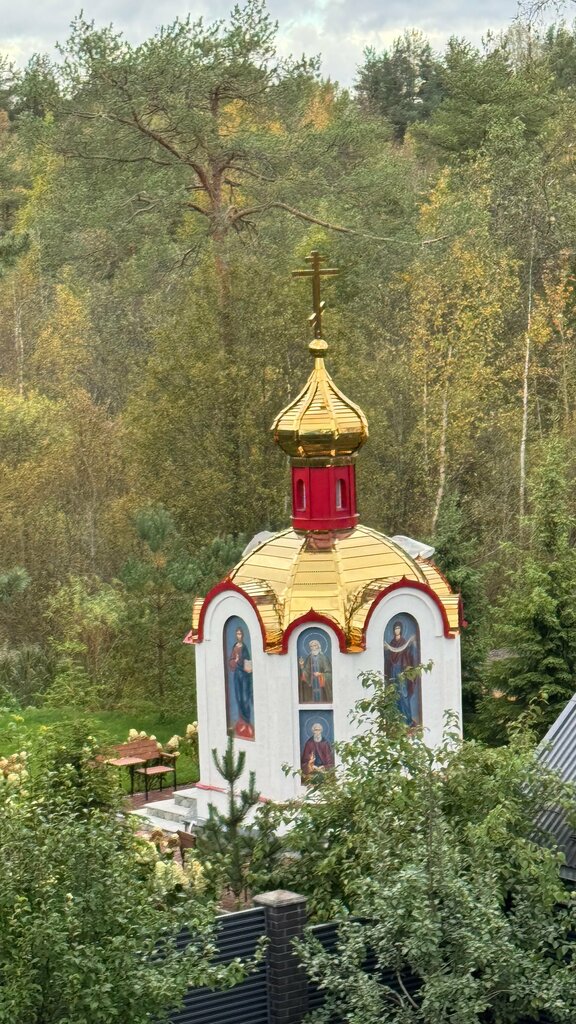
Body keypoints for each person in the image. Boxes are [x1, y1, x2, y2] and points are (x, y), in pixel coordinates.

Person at [384, 620, 419, 727]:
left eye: (398, 628)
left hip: (402, 674)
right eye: (395, 628)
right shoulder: (391, 644)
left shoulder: (404, 643)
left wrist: (412, 644)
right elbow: (388, 660)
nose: (397, 630)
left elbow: (410, 657)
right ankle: (396, 721)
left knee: (404, 695)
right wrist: (386, 651)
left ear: (401, 630)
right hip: (393, 673)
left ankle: (408, 720)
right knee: (395, 695)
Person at [228, 626, 254, 739]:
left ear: (242, 635)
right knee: (238, 698)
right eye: (237, 634)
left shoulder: (244, 648)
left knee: (245, 698)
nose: (239, 636)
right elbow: (231, 661)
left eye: (240, 634)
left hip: (245, 676)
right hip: (236, 675)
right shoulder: (234, 647)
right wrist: (235, 661)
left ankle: (247, 722)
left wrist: (244, 665)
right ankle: (241, 722)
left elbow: (248, 662)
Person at [298, 638, 333, 702]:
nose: (313, 648)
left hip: (321, 683)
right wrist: (302, 665)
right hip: (312, 683)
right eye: (311, 646)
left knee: (322, 698)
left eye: (315, 645)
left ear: (318, 646)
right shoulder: (309, 657)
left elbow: (330, 673)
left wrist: (321, 674)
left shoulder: (323, 657)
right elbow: (306, 671)